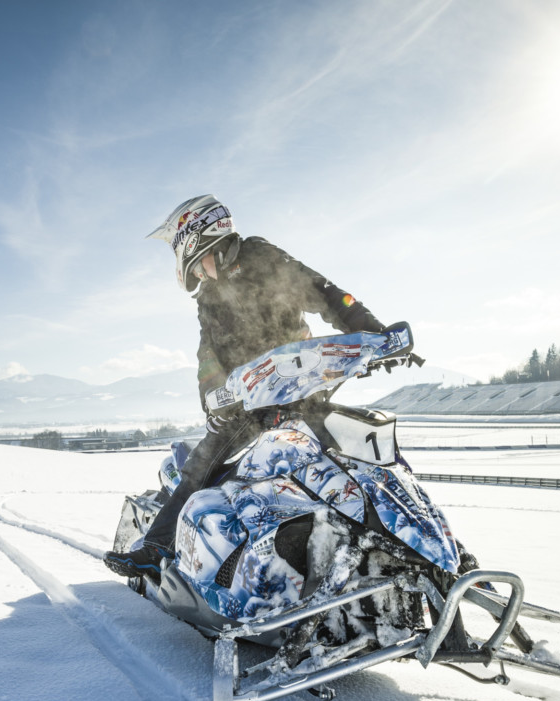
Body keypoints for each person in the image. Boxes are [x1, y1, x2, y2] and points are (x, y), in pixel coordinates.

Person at [103, 194, 389, 582]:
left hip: (302, 391)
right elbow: (208, 353)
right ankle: (156, 548)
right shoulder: (208, 296)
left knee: (350, 458)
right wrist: (212, 395)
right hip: (246, 404)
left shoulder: (263, 258)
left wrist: (372, 331)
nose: (201, 277)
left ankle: (394, 542)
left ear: (211, 245)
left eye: (199, 266)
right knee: (199, 467)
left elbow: (324, 292)